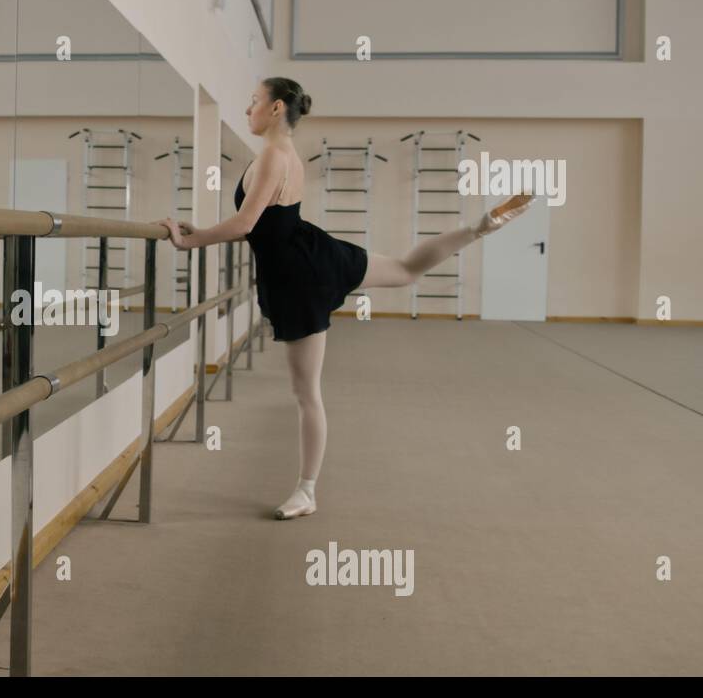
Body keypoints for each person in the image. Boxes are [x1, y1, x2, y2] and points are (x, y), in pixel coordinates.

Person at [157, 77, 534, 520]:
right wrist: (198, 233)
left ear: (277, 108)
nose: (247, 109)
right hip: (312, 254)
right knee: (405, 270)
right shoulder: (279, 155)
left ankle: (307, 491)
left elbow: (245, 225)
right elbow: (254, 225)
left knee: (306, 393)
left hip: (300, 276)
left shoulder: (275, 156)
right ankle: (479, 228)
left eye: (254, 102)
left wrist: (191, 240)